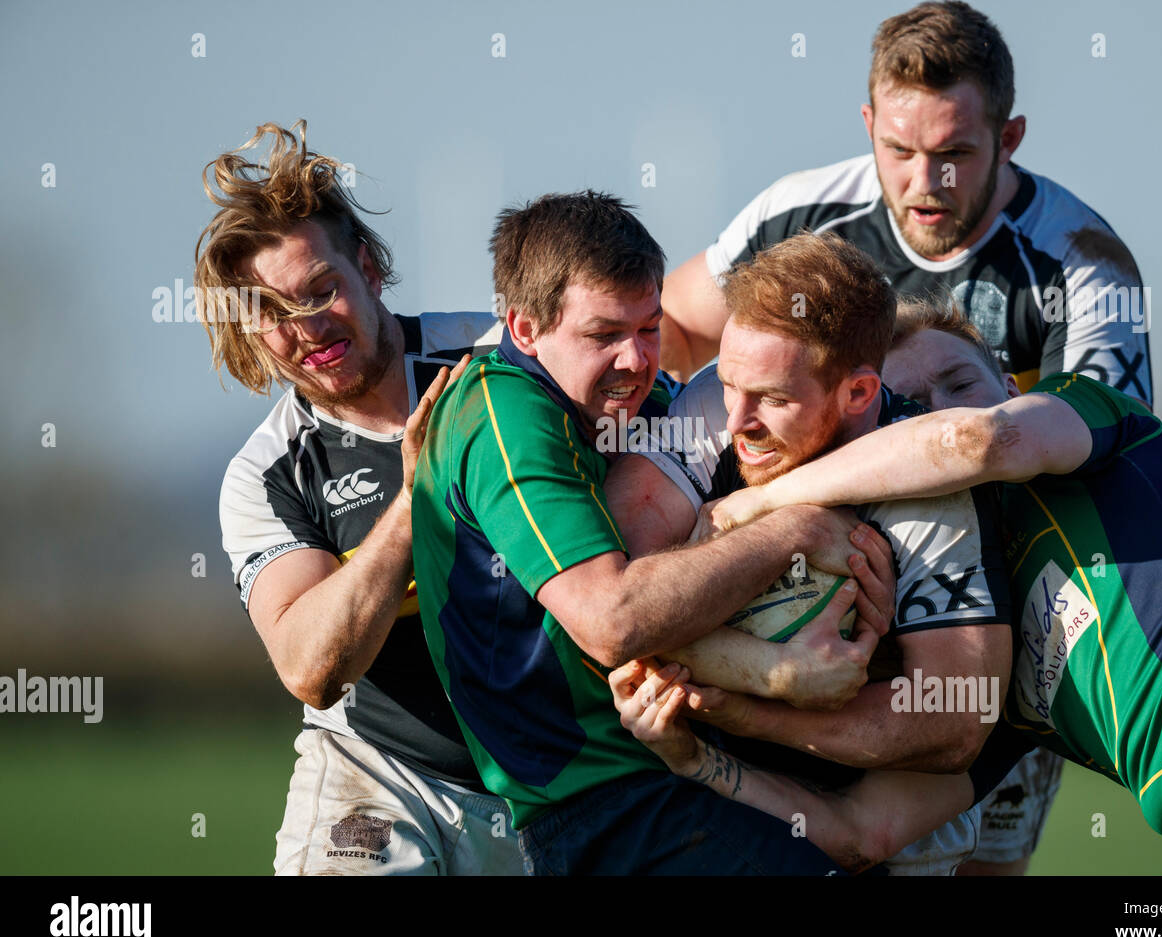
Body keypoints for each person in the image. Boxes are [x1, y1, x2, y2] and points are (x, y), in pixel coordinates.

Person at [698, 300, 1162, 874]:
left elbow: (979, 441)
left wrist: (761, 502)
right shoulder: (972, 644)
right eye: (905, 402)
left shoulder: (1084, 412)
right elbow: (863, 831)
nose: (939, 411)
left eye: (960, 384)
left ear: (1014, 391)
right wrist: (704, 752)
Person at [409, 191, 886, 875]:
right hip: (608, 803)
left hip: (691, 768)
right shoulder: (502, 413)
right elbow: (613, 620)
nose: (637, 360)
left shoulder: (649, 404)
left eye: (650, 327)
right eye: (604, 335)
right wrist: (793, 532)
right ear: (523, 328)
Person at [603, 231, 1013, 875]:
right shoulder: (721, 396)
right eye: (731, 382)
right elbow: (617, 606)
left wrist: (751, 708)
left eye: (774, 398)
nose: (738, 421)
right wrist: (774, 666)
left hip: (887, 817)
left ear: (858, 394)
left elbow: (954, 723)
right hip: (719, 797)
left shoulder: (935, 492)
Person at [196, 121, 521, 875]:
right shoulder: (266, 474)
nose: (306, 328)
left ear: (368, 268)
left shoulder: (500, 363)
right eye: (273, 314)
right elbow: (311, 667)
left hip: (546, 782)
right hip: (378, 774)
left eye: (322, 290)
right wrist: (415, 500)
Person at [657, 0, 1153, 414]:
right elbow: (674, 323)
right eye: (898, 150)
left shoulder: (1086, 263)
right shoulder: (798, 216)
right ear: (869, 125)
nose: (925, 182)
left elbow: (1103, 447)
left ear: (1008, 139)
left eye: (953, 153)